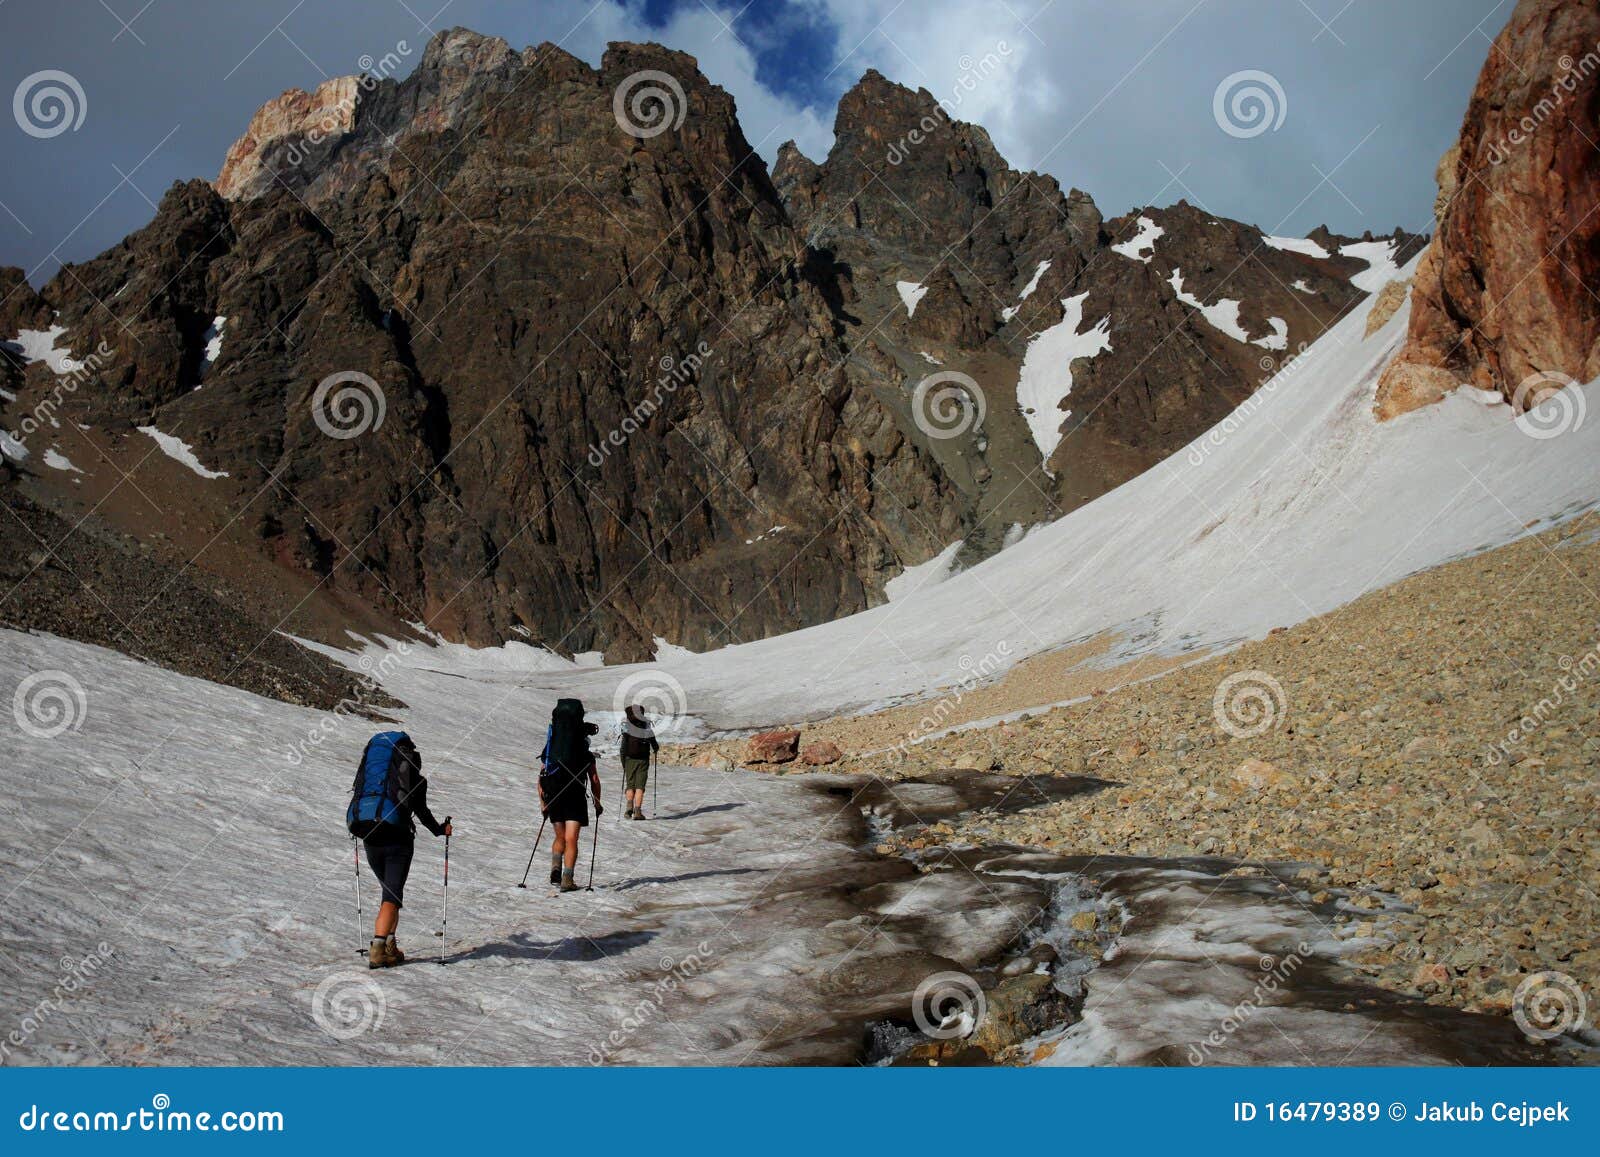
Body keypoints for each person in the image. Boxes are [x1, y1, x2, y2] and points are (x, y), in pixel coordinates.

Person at [346, 731, 452, 969]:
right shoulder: (416, 781)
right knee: (391, 896)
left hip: (369, 834)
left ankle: (390, 946)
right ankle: (378, 948)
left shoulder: (372, 777)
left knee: (390, 893)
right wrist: (440, 830)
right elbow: (422, 812)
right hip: (398, 839)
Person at [539, 698, 603, 892]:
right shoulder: (585, 754)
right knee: (571, 839)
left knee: (560, 837)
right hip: (575, 797)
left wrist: (543, 803)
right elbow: (594, 780)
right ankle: (567, 879)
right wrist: (597, 803)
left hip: (554, 795)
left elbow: (542, 776)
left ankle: (555, 869)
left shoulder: (552, 750)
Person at [619, 704, 659, 820]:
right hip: (643, 759)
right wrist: (655, 749)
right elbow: (655, 745)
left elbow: (623, 748)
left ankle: (628, 809)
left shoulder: (627, 727)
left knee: (630, 785)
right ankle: (637, 812)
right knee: (640, 787)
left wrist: (624, 763)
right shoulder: (646, 726)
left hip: (629, 759)